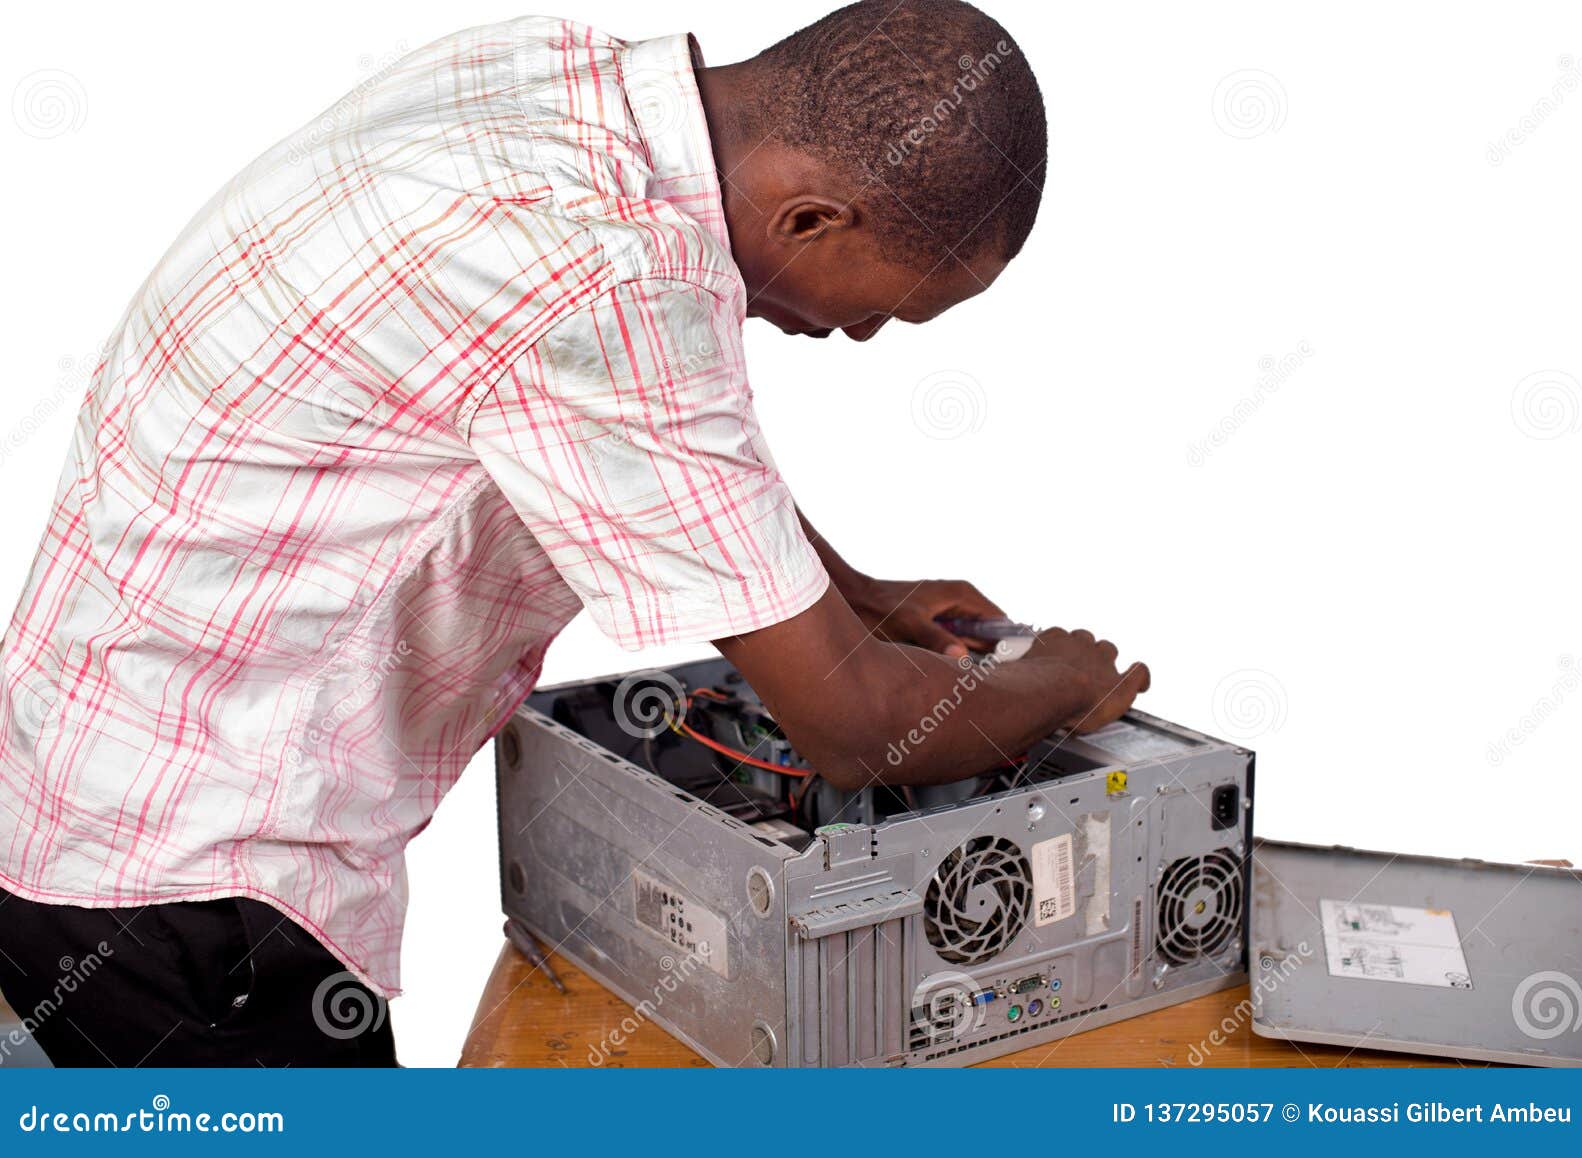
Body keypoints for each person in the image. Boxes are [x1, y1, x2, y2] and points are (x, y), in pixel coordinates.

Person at [0, 0, 1147, 1066]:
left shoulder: (549, 78)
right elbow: (859, 730)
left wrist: (858, 595)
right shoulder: (611, 276)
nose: (859, 335)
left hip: (78, 757)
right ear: (810, 216)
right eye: (883, 308)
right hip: (180, 886)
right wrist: (1057, 680)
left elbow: (653, 444)